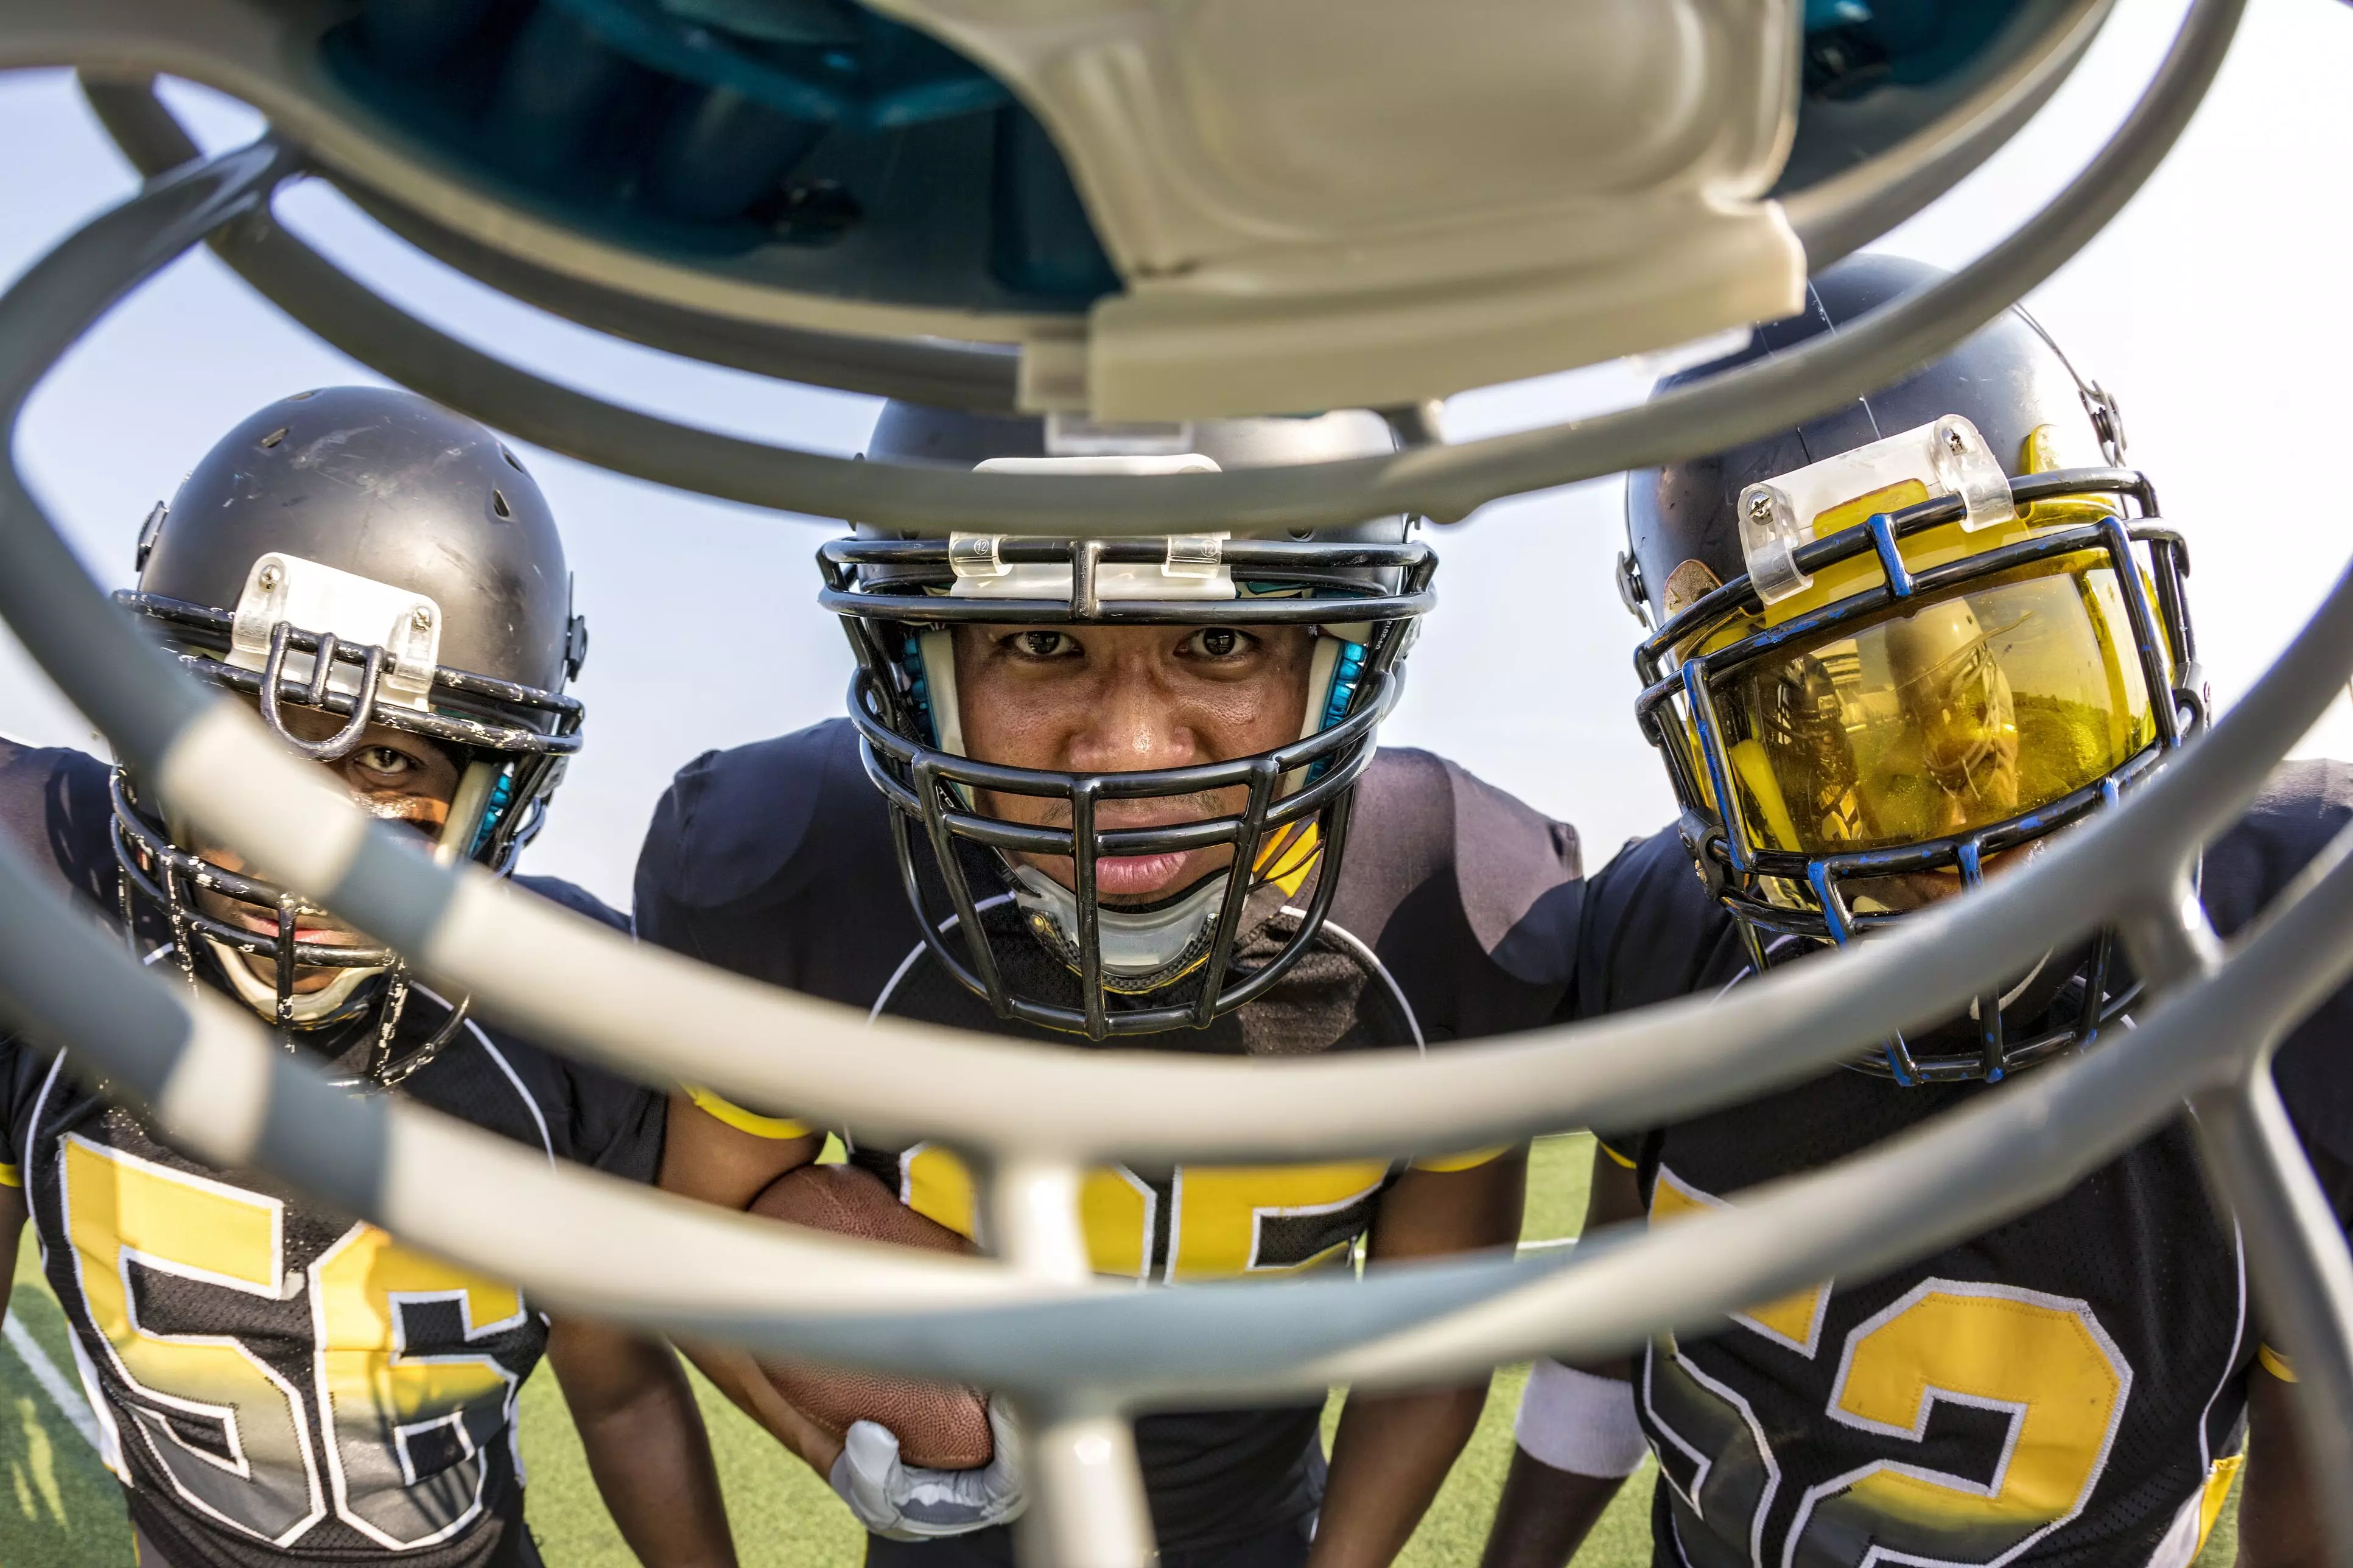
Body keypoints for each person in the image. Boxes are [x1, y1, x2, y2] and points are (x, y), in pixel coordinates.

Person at [1480, 255, 2341, 1568]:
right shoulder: (1672, 929)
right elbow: (1612, 1313)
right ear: (1722, 754)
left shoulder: (2293, 965)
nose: (1951, 809)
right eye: (1839, 744)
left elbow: (2313, 1456)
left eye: (1999, 681)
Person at [640, 404, 1583, 1568]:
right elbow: (699, 1229)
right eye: (1041, 642)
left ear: (1341, 663)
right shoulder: (801, 862)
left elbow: (1430, 1351)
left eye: (1219, 641)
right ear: (919, 661)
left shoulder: (1445, 902)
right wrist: (821, 1439)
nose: (1126, 753)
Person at [0, 388, 736, 1568]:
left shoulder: (556, 1025)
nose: (299, 834)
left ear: (497, 794)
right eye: (249, 732)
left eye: (388, 755)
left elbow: (620, 1389)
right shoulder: (53, 950)